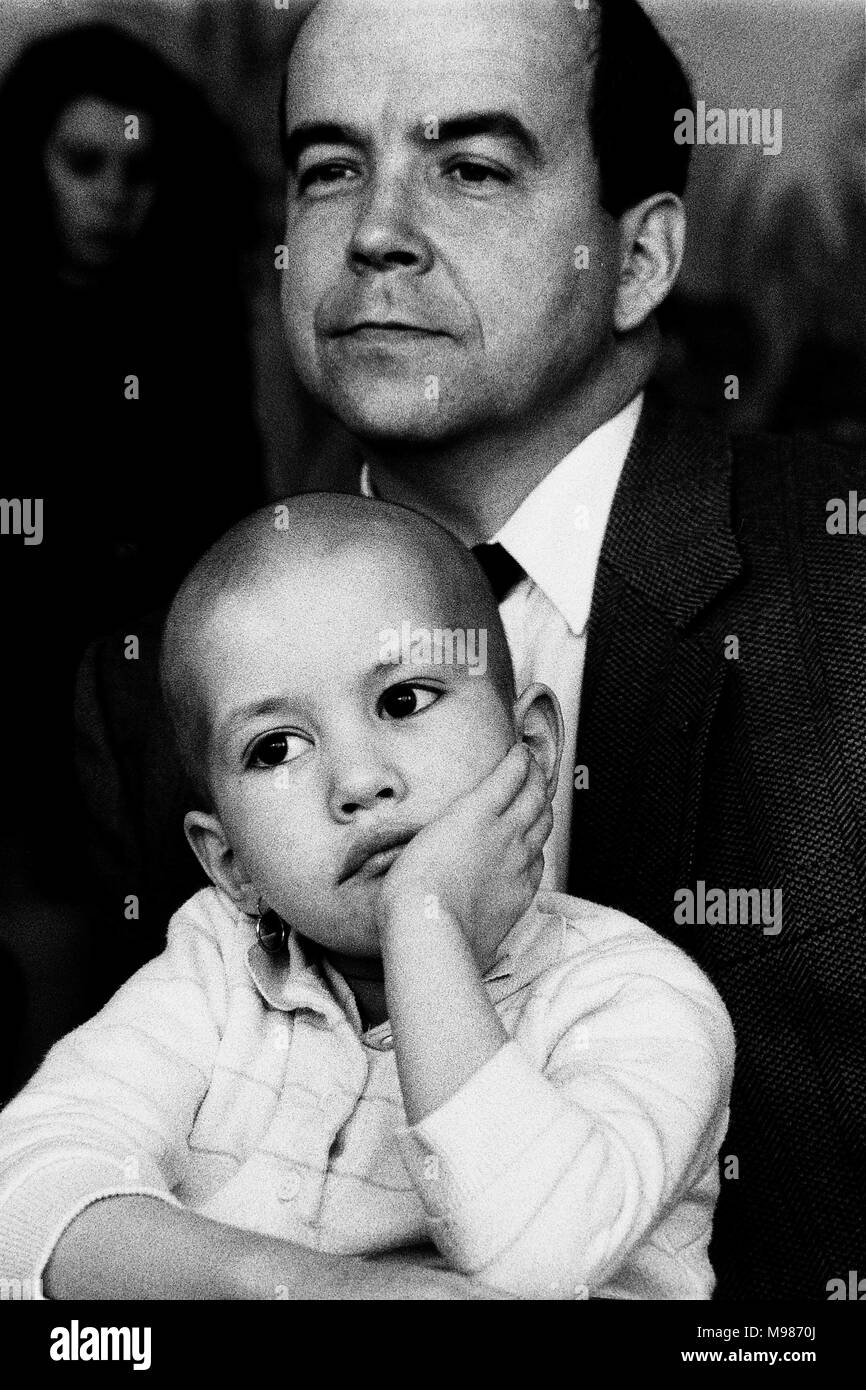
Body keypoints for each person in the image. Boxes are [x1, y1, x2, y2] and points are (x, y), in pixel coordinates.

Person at [73, 0, 866, 1299]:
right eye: (330, 166)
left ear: (639, 257)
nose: (375, 231)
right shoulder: (158, 683)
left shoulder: (840, 581)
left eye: (469, 167)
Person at [0, 494, 734, 1301]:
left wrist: (424, 925)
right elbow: (27, 1188)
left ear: (531, 751)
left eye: (404, 700)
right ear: (230, 863)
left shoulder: (631, 996)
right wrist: (299, 1288)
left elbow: (537, 1261)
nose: (357, 782)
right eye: (276, 747)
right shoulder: (218, 963)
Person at [0, 22, 264, 1090]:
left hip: (142, 705)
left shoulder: (190, 326)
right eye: (82, 163)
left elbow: (232, 536)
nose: (113, 194)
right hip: (17, 699)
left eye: (139, 169)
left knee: (129, 970)